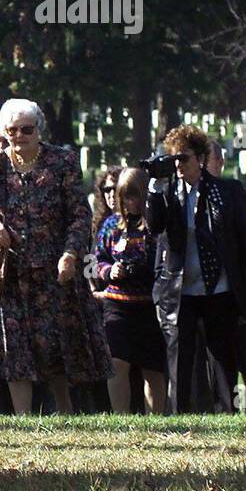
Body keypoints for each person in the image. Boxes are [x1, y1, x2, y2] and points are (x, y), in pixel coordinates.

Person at [0, 98, 113, 414]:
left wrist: (70, 254)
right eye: (13, 130)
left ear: (39, 129)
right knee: (15, 345)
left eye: (27, 129)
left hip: (55, 269)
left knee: (57, 344)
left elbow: (80, 214)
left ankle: (65, 412)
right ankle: (23, 419)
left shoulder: (62, 161)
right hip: (13, 271)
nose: (20, 135)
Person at [149, 124, 246, 412]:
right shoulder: (168, 192)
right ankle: (179, 415)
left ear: (200, 159)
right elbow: (155, 226)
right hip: (180, 289)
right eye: (173, 159)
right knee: (180, 358)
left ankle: (226, 411)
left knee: (222, 355)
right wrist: (155, 188)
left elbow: (244, 239)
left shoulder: (226, 191)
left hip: (219, 287)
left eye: (184, 158)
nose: (178, 165)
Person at [95, 169, 168, 412]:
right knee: (117, 363)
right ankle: (121, 418)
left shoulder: (156, 225)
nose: (131, 202)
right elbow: (98, 261)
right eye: (125, 197)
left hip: (149, 304)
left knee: (153, 368)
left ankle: (156, 417)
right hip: (118, 304)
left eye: (136, 196)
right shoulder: (110, 226)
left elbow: (164, 259)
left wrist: (143, 266)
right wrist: (110, 271)